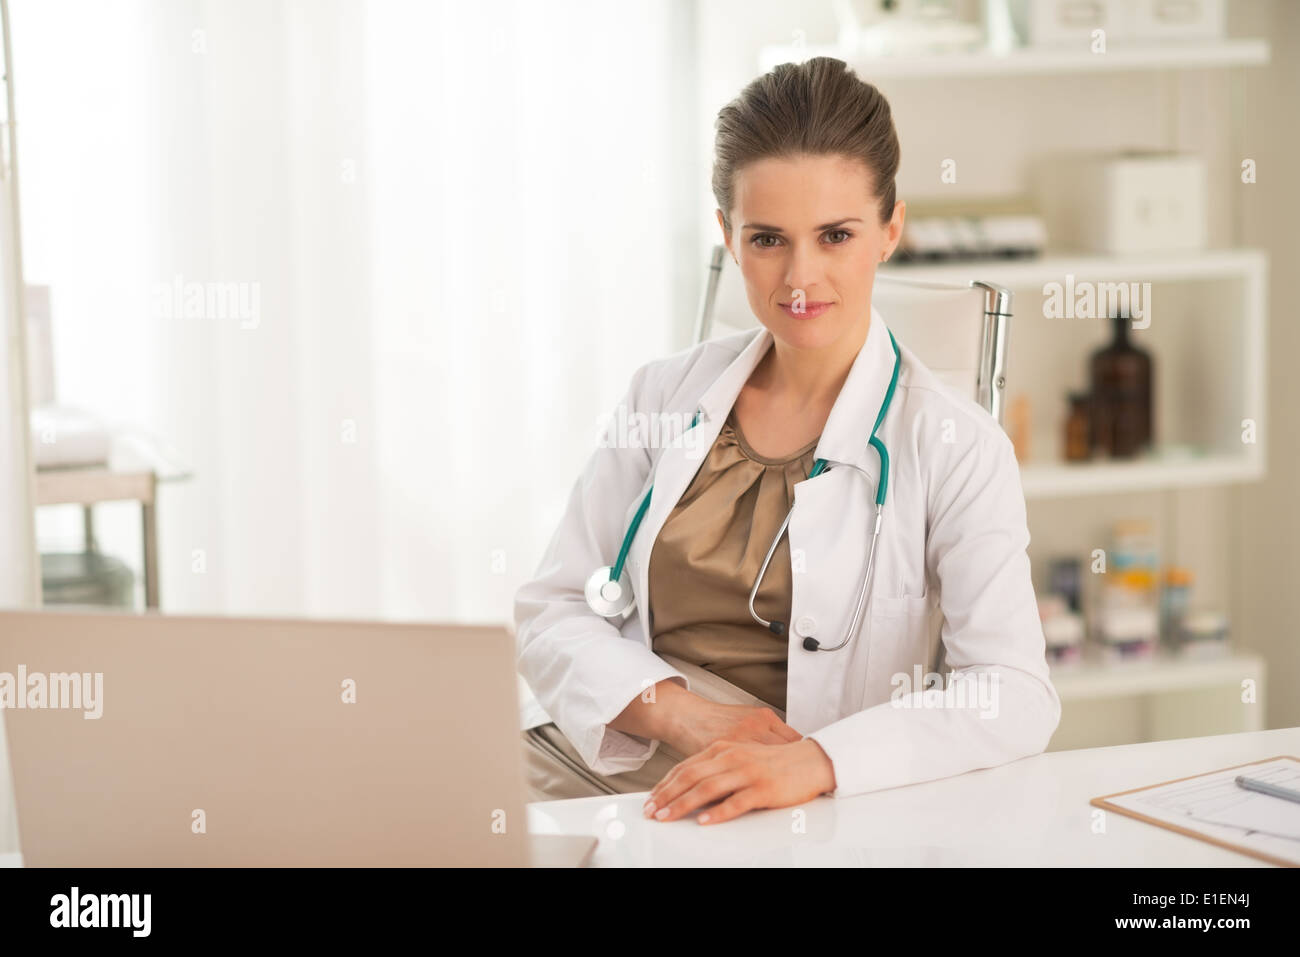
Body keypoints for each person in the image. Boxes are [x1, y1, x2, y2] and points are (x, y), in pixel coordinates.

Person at [514, 56, 1060, 825]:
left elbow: (1013, 691)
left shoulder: (953, 446)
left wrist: (817, 761)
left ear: (890, 230)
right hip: (605, 749)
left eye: (836, 234)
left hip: (785, 795)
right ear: (728, 237)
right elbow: (553, 607)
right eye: (768, 238)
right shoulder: (662, 396)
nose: (800, 278)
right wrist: (680, 713)